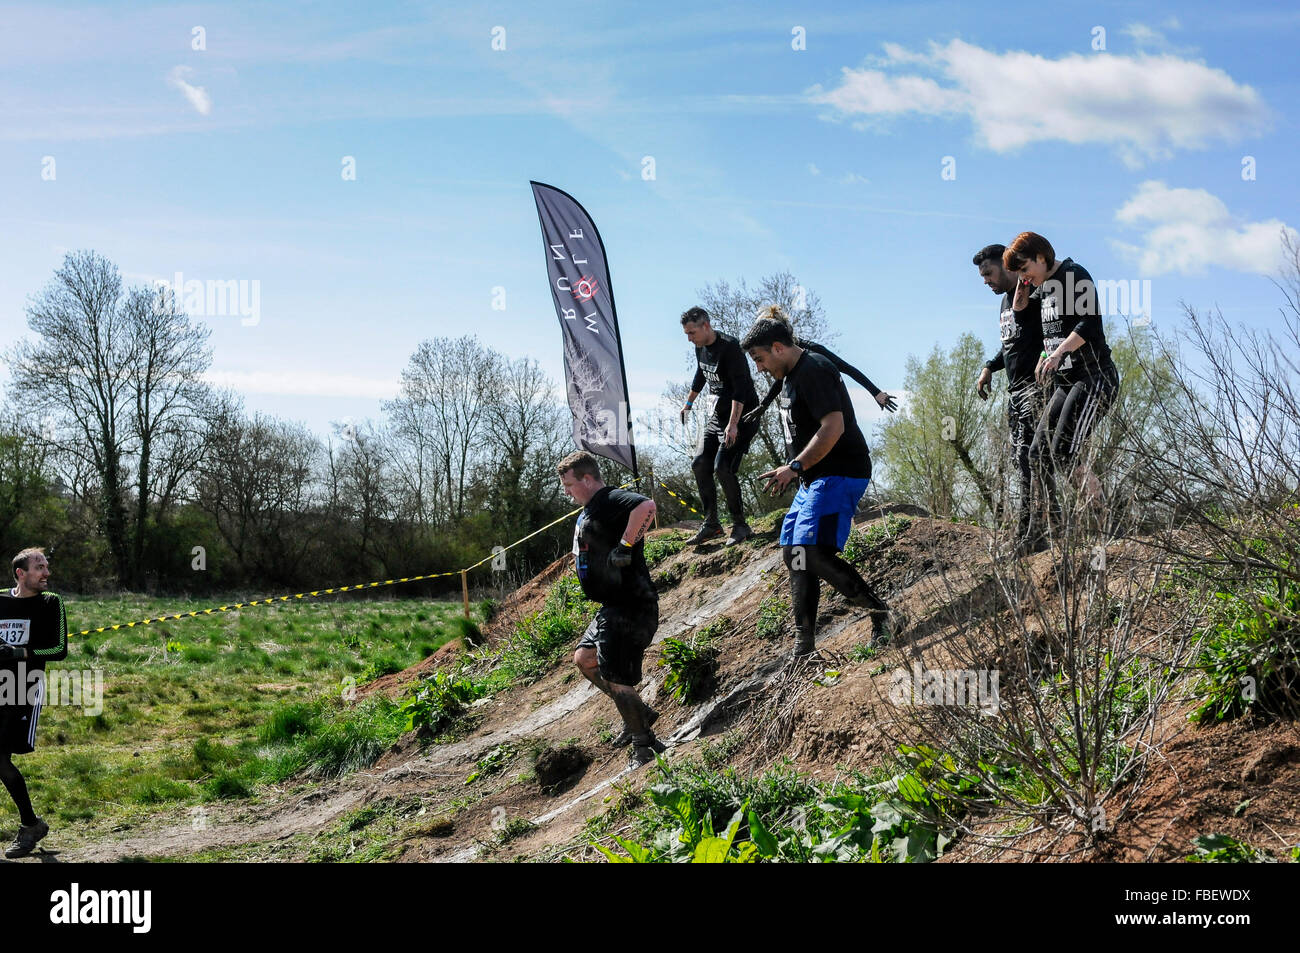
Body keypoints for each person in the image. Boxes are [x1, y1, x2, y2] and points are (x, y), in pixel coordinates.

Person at [739, 318, 891, 659]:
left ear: (778, 348)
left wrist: (794, 467)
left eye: (760, 359)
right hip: (813, 478)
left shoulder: (814, 369)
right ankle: (803, 647)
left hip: (840, 471)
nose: (760, 369)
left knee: (811, 552)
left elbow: (833, 427)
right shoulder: (789, 376)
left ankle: (882, 614)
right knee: (794, 554)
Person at [1002, 232, 1120, 534]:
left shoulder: (1074, 275)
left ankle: (1104, 516)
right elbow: (1028, 323)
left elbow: (1088, 323)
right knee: (1038, 453)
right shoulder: (1041, 290)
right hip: (1067, 382)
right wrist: (1045, 352)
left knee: (1065, 452)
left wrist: (1058, 352)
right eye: (1018, 273)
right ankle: (1047, 526)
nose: (1024, 276)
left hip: (1094, 377)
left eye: (1026, 269)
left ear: (1042, 257)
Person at [558, 451, 667, 769]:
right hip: (611, 607)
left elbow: (647, 506)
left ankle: (644, 744)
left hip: (630, 605)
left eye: (569, 484)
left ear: (587, 479)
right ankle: (639, 714)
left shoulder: (609, 499)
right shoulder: (591, 509)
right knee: (585, 659)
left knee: (617, 678)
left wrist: (626, 546)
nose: (567, 491)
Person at [972, 244, 1047, 554]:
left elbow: (1051, 334)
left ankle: (1035, 534)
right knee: (1021, 462)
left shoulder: (1034, 293)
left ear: (1005, 267)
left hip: (1036, 388)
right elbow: (1011, 347)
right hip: (1014, 392)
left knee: (1035, 461)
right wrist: (990, 366)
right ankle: (1031, 532)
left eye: (989, 273)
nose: (986, 281)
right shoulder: (1005, 303)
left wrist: (1045, 357)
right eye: (982, 277)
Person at [0, 548, 67, 859]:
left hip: (24, 689)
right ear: (20, 573)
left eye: (46, 567)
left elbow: (59, 648)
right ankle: (31, 825)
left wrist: (22, 653)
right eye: (39, 567)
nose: (46, 573)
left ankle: (30, 825)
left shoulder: (51, 602)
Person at [679, 306, 760, 547]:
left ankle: (740, 525)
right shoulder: (700, 347)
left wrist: (733, 425)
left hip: (743, 416)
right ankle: (712, 524)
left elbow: (740, 389)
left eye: (692, 332)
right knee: (700, 463)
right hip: (718, 415)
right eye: (686, 334)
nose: (689, 338)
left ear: (706, 326)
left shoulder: (730, 347)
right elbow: (701, 374)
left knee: (722, 467)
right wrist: (688, 403)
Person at [742, 304, 898, 425]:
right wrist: (763, 405)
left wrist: (876, 393)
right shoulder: (782, 361)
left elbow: (847, 368)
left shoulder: (812, 353)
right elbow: (779, 382)